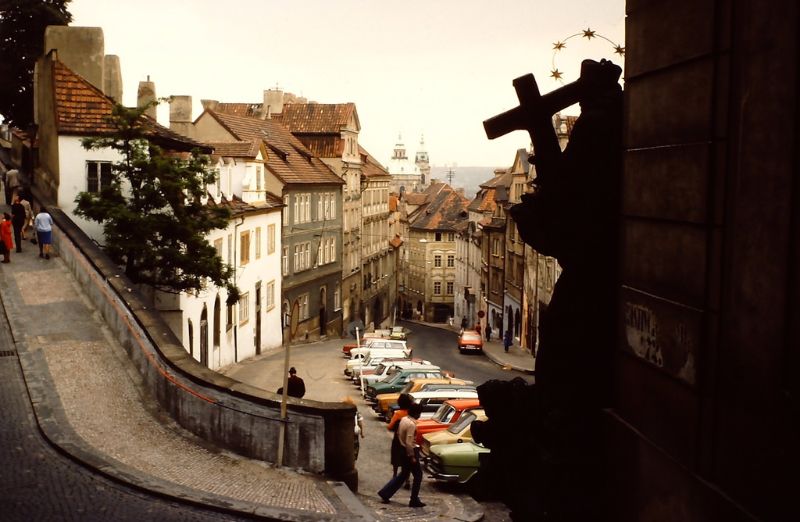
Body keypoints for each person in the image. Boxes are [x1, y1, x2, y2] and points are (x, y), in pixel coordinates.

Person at [378, 402, 425, 508]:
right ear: (417, 413)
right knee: (418, 475)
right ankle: (414, 499)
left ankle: (385, 492)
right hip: (409, 451)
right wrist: (412, 456)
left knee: (403, 474)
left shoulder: (404, 420)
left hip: (402, 450)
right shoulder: (411, 425)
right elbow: (409, 442)